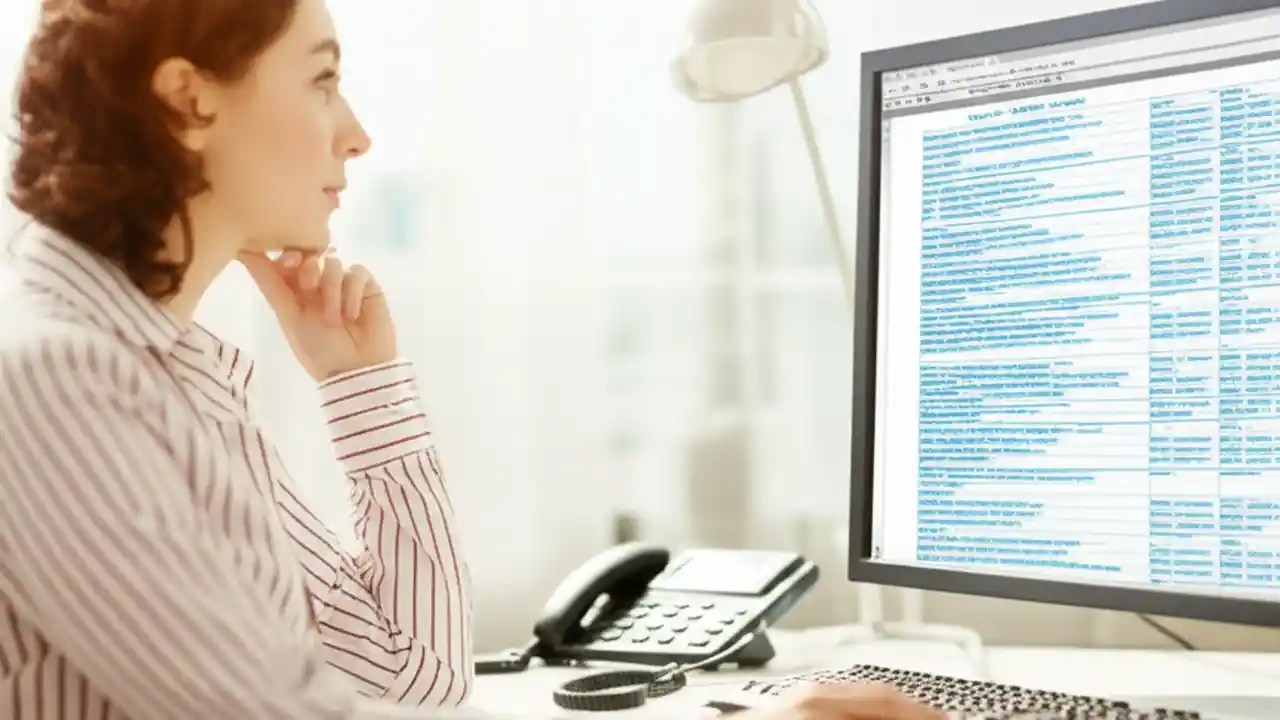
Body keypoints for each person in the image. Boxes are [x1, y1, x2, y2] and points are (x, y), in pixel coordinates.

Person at [0, 1, 944, 718]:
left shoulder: (167, 368)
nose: (356, 133)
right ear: (189, 100)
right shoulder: (64, 378)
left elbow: (414, 683)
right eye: (322, 81)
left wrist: (362, 389)